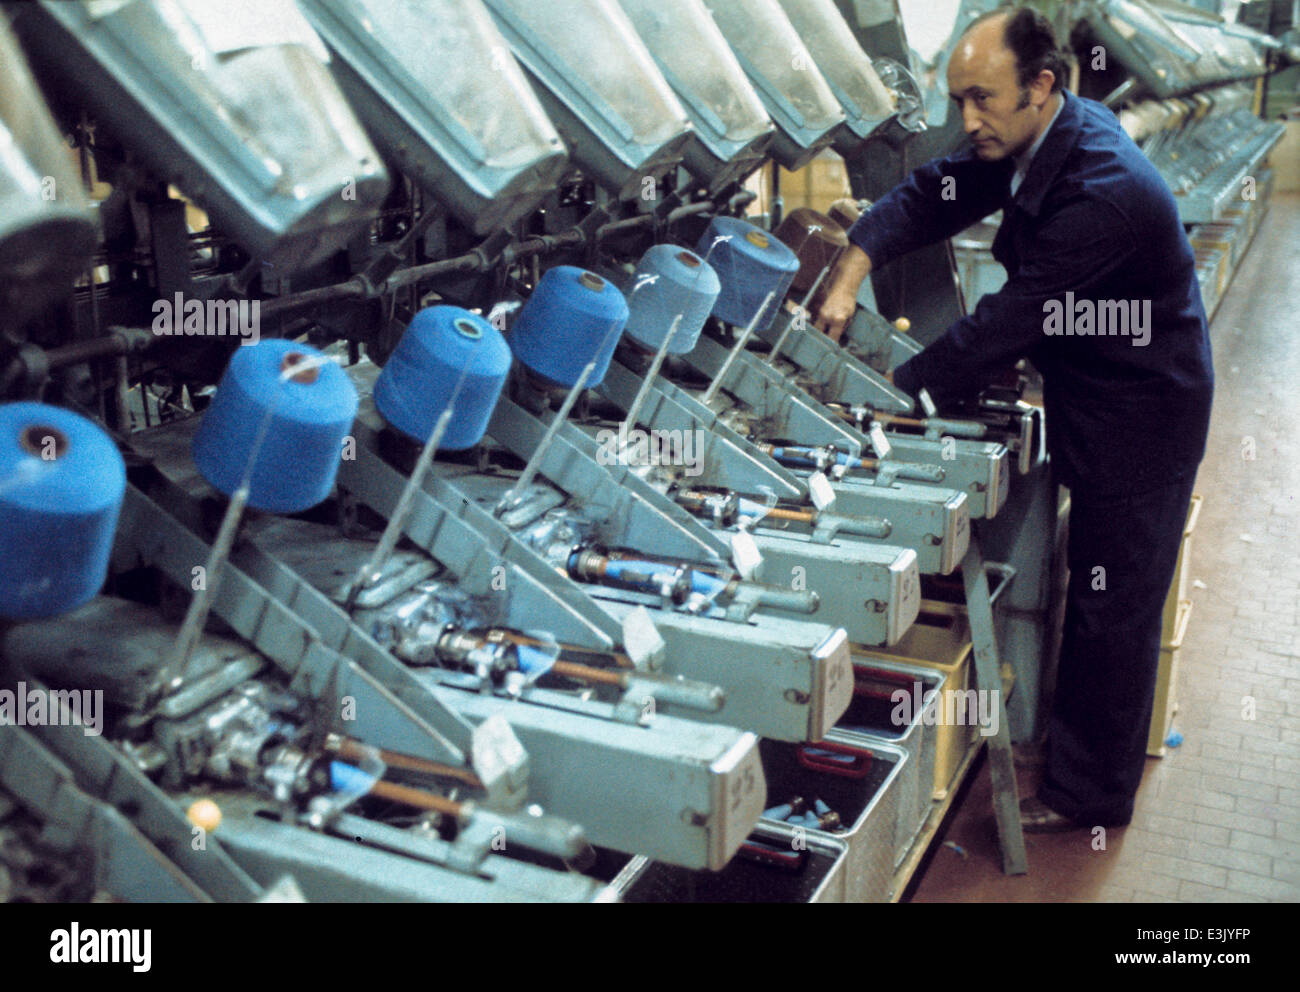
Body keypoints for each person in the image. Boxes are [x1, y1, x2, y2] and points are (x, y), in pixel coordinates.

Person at [815, 5, 1214, 832]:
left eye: (981, 99)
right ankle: (1079, 761)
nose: (967, 120)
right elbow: (932, 193)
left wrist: (897, 395)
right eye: (958, 100)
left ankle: (1088, 798)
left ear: (1042, 84)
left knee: (1114, 604)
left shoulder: (1103, 192)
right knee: (1098, 586)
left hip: (1143, 413)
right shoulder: (1032, 141)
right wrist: (854, 262)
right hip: (1093, 385)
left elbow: (1010, 321)